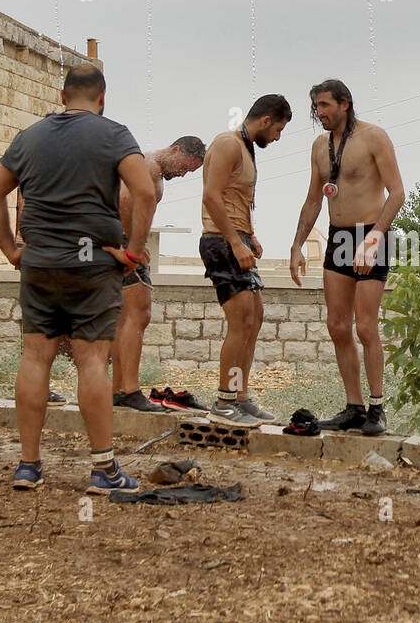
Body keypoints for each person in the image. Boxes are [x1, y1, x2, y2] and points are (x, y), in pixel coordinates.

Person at [0, 64, 157, 494]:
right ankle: (103, 470)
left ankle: (28, 466)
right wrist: (133, 252)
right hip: (94, 263)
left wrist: (9, 249)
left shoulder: (29, 136)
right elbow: (145, 192)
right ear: (102, 98)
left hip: (40, 262)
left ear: (62, 97)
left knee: (35, 358)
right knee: (93, 362)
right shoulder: (114, 134)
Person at [289, 79, 405, 437]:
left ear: (345, 104)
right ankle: (353, 407)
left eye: (325, 105)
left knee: (366, 326)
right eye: (316, 107)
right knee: (337, 325)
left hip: (371, 233)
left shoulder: (374, 137)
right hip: (339, 236)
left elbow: (397, 193)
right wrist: (297, 244)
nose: (320, 113)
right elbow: (313, 199)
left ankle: (376, 407)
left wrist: (374, 239)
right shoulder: (319, 147)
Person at [200, 95, 291, 427]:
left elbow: (234, 199)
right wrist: (235, 241)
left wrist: (249, 236)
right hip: (220, 242)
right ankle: (224, 401)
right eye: (278, 130)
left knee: (254, 320)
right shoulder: (227, 143)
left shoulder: (245, 147)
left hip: (237, 239)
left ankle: (240, 396)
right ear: (266, 121)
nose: (278, 138)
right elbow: (211, 196)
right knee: (240, 323)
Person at [111, 135, 206, 412]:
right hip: (126, 248)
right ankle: (129, 390)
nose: (182, 173)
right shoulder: (149, 165)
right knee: (139, 314)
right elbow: (125, 199)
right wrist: (133, 244)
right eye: (184, 166)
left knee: (124, 318)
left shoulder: (147, 164)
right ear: (175, 149)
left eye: (189, 171)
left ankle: (119, 388)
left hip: (120, 245)